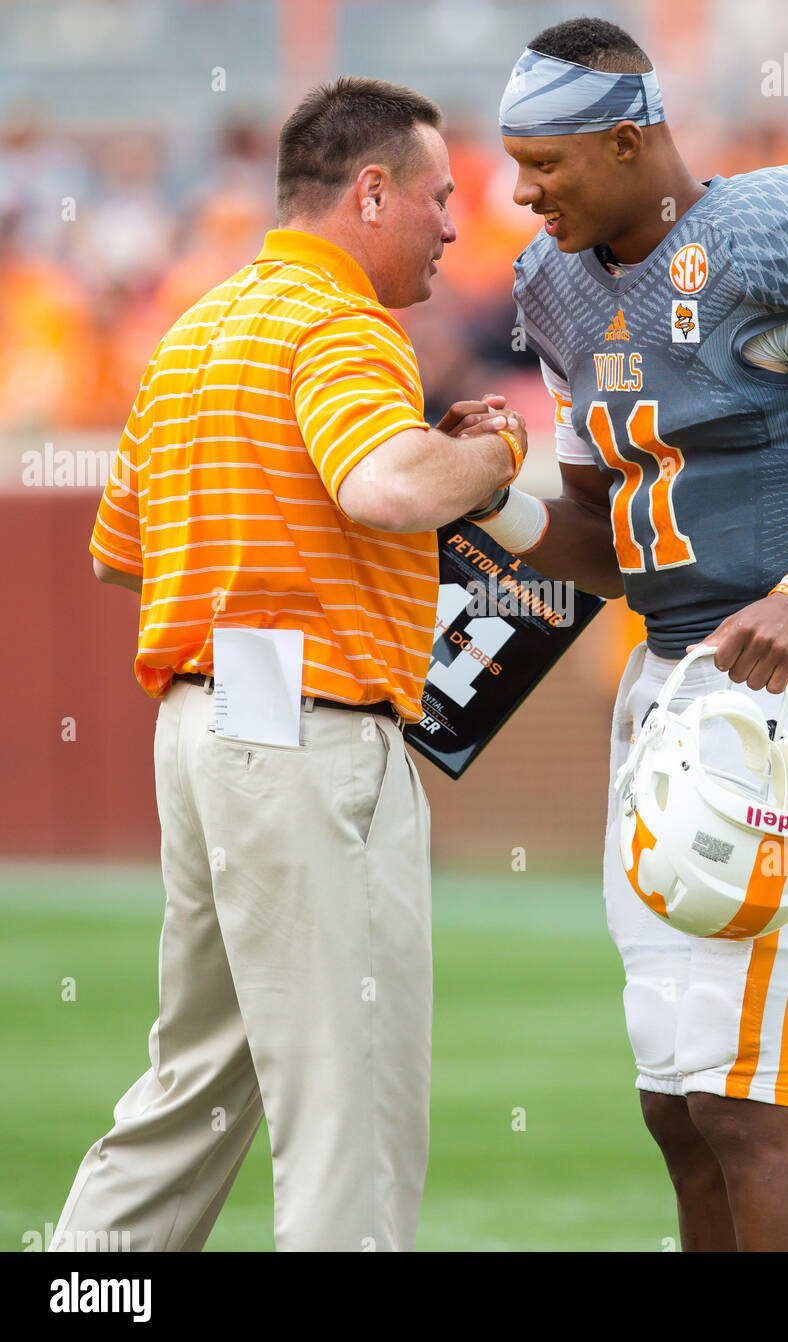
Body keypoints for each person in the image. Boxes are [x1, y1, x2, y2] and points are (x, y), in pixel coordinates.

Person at [457, 17, 788, 1251]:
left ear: (627, 140)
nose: (521, 194)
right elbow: (607, 540)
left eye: (544, 163)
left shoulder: (765, 244)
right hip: (668, 684)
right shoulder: (558, 289)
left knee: (747, 1098)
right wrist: (490, 498)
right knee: (676, 1104)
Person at [50, 76, 527, 1253]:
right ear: (370, 193)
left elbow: (118, 554)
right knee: (348, 1106)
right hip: (311, 726)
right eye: (436, 195)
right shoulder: (341, 320)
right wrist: (496, 457)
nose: (452, 224)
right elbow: (390, 486)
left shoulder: (195, 326)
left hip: (205, 720)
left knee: (193, 1089)